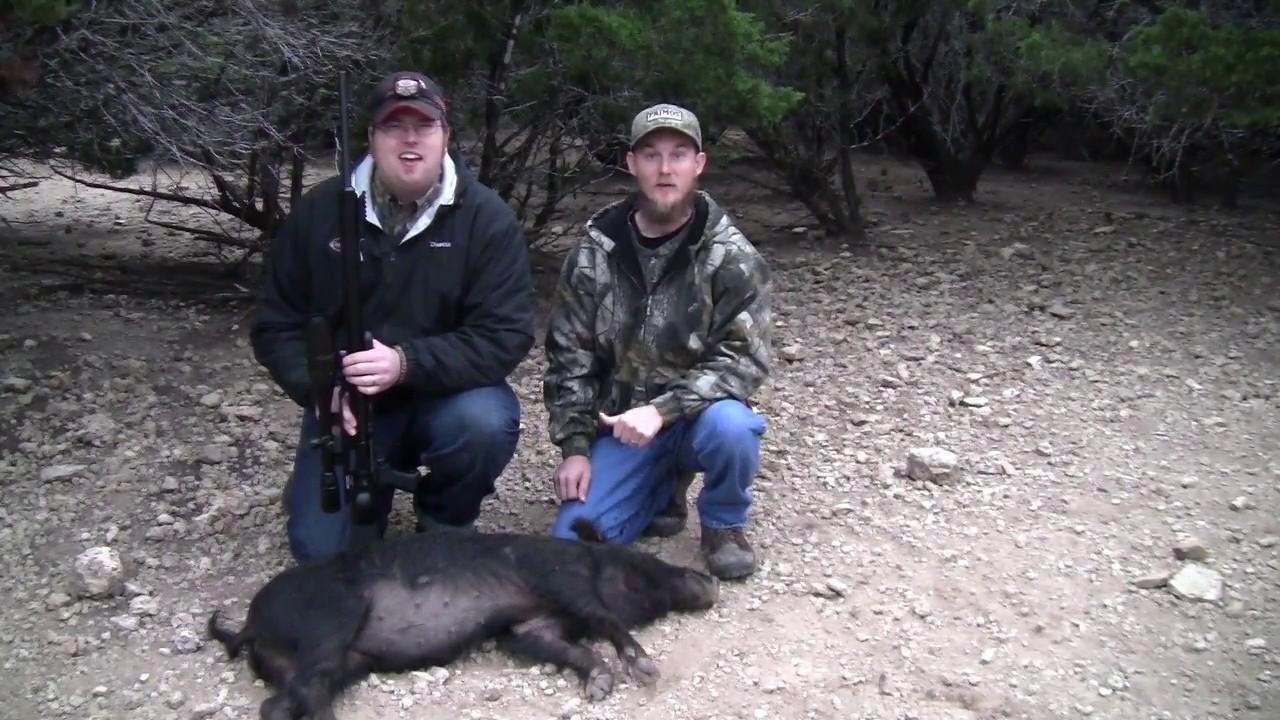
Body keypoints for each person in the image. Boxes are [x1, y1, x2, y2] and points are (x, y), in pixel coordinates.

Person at [250, 71, 535, 564]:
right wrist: (319, 390)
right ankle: (332, 485)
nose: (409, 139)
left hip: (444, 397)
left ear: (446, 135)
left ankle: (446, 518)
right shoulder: (320, 211)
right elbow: (276, 325)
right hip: (349, 408)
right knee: (324, 556)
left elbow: (505, 334)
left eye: (423, 126)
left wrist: (405, 363)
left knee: (486, 422)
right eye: (393, 126)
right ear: (371, 137)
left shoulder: (487, 219)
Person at [542, 102, 773, 580]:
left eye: (678, 155)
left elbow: (744, 359)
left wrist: (662, 410)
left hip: (696, 419)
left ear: (699, 164)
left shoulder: (731, 255)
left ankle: (724, 522)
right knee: (573, 543)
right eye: (651, 155)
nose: (665, 169)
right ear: (631, 163)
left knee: (734, 427)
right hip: (622, 428)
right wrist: (576, 447)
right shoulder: (593, 252)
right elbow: (569, 357)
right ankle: (661, 489)